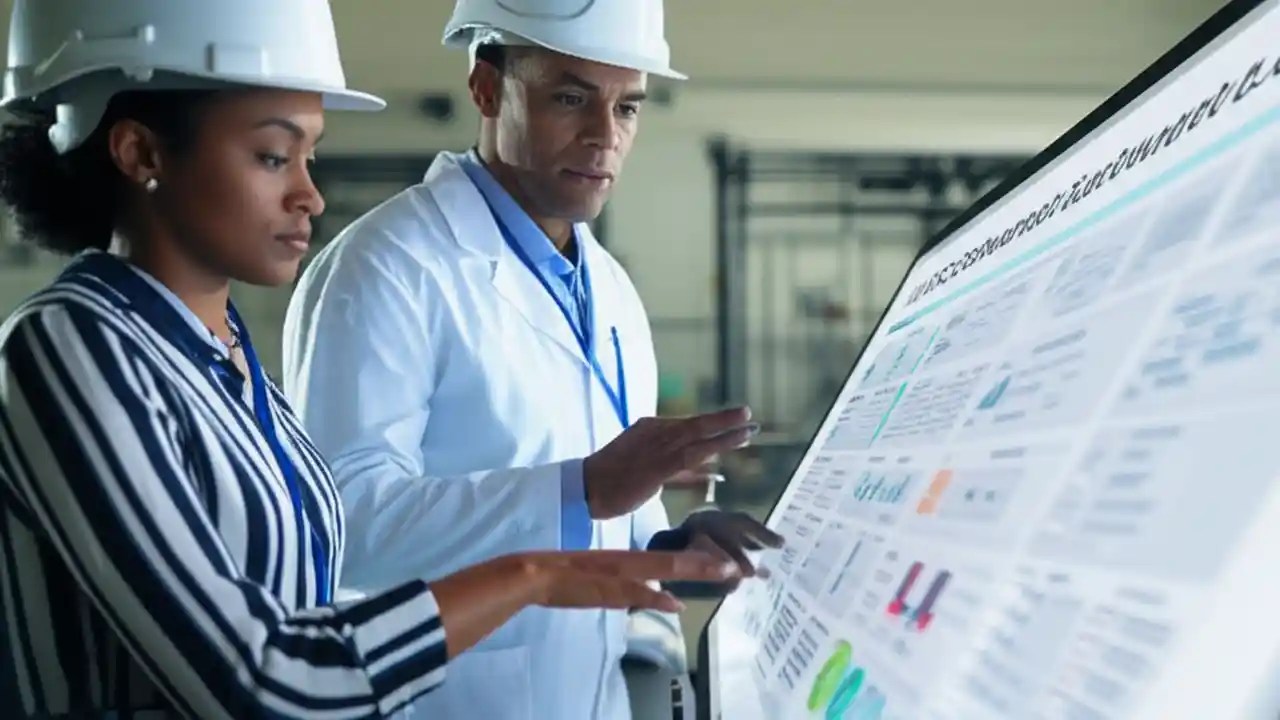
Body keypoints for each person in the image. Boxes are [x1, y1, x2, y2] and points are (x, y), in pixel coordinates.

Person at [0, 1, 743, 718]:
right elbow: (272, 672)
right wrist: (542, 557)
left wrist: (666, 547)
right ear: (141, 153)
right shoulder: (70, 348)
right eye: (271, 155)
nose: (311, 197)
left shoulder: (221, 360)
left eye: (307, 156)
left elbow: (306, 583)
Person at [282, 1, 786, 718]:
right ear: (487, 87)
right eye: (572, 97)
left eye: (629, 108)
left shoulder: (609, 289)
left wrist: (675, 542)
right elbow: (344, 531)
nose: (603, 136)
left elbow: (614, 513)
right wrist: (577, 490)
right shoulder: (386, 266)